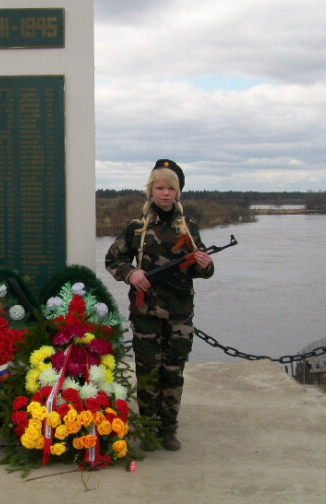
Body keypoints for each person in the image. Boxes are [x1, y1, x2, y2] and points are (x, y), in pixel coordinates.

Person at [104, 159, 213, 451]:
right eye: (159, 187)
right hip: (146, 314)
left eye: (170, 188)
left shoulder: (188, 228)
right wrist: (132, 273)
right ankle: (149, 428)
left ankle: (168, 428)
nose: (165, 193)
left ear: (178, 192)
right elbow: (113, 259)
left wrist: (205, 263)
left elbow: (201, 271)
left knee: (173, 371)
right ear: (150, 191)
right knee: (148, 371)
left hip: (179, 314)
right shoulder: (136, 228)